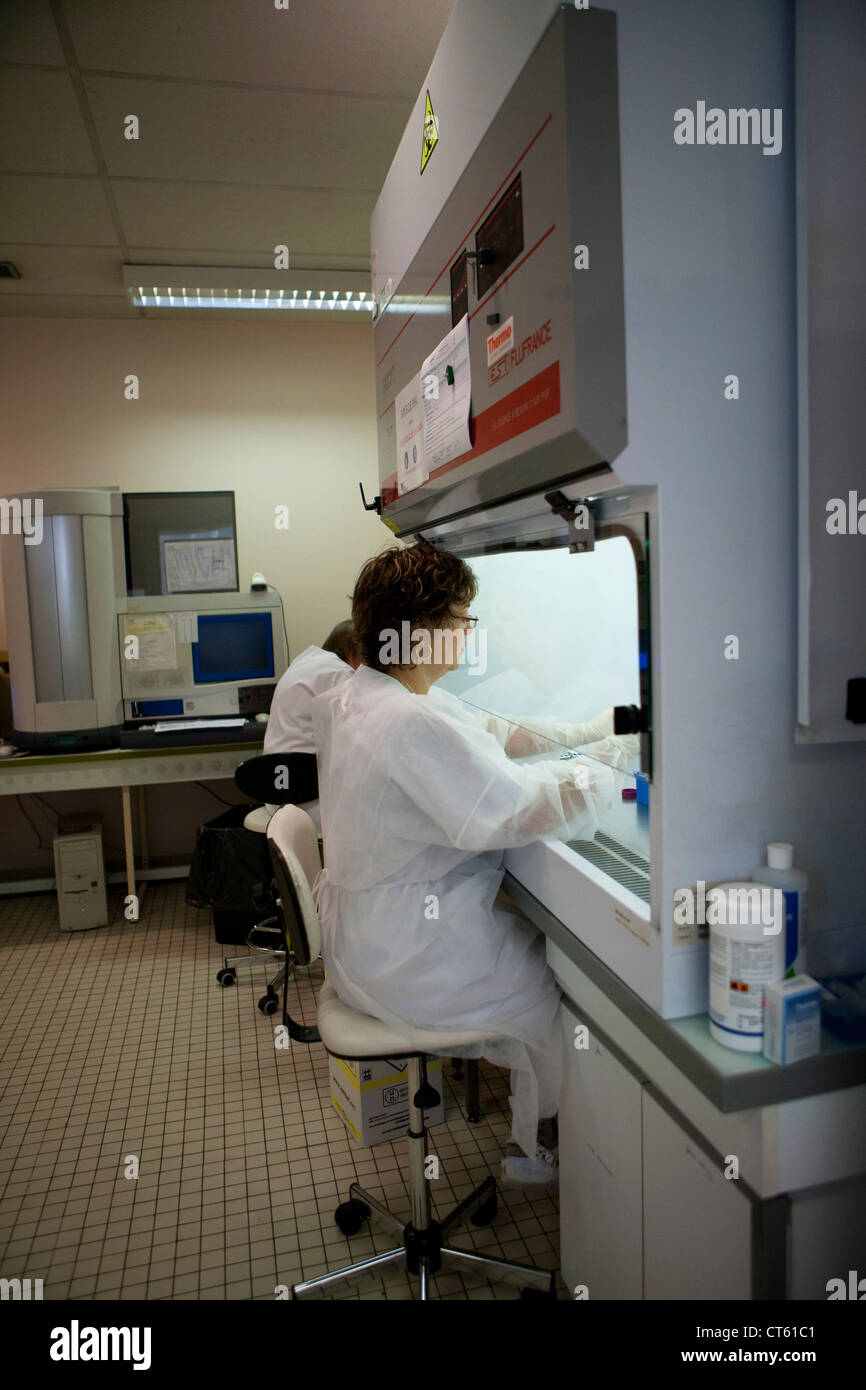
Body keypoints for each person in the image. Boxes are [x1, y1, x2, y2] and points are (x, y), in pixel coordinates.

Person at [311, 544, 637, 1185]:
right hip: (404, 956)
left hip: (360, 938)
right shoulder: (403, 718)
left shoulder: (363, 694)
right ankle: (544, 1151)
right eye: (463, 618)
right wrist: (617, 764)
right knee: (553, 983)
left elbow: (487, 734)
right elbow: (517, 810)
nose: (468, 634)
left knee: (530, 941)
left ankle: (535, 1133)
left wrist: (589, 729)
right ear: (422, 630)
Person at [262, 621, 361, 827]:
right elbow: (362, 730)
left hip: (279, 789)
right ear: (353, 650)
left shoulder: (306, 663)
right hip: (306, 796)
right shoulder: (339, 674)